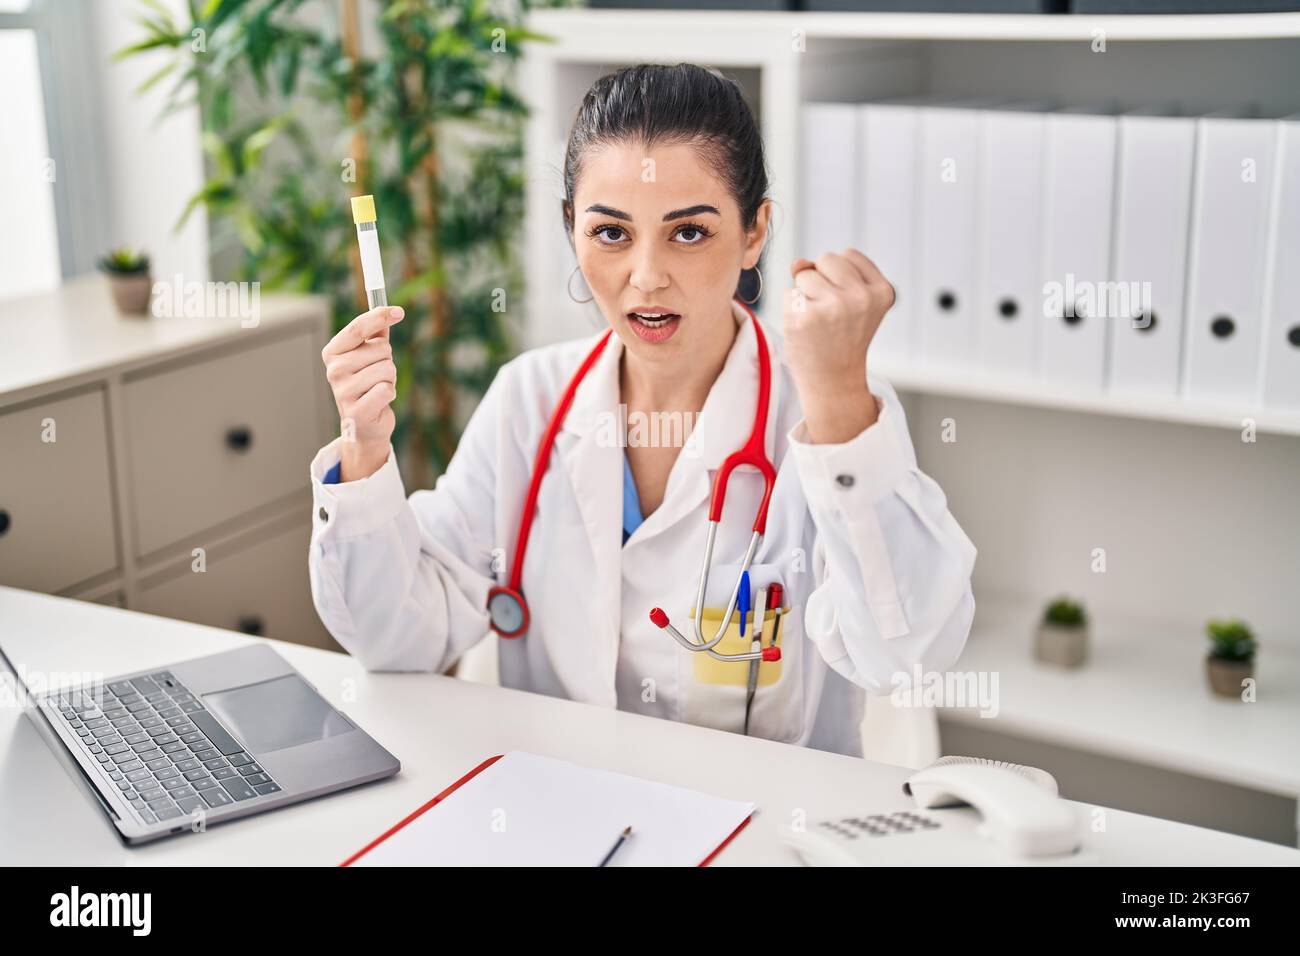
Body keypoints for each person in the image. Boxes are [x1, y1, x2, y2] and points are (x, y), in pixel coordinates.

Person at [309, 63, 976, 756]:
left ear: (754, 232)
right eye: (611, 233)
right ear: (572, 228)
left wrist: (838, 398)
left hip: (765, 813)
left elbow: (907, 657)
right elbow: (395, 640)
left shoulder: (826, 411)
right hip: (559, 801)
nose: (647, 276)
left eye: (688, 232)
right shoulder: (529, 400)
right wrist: (364, 447)